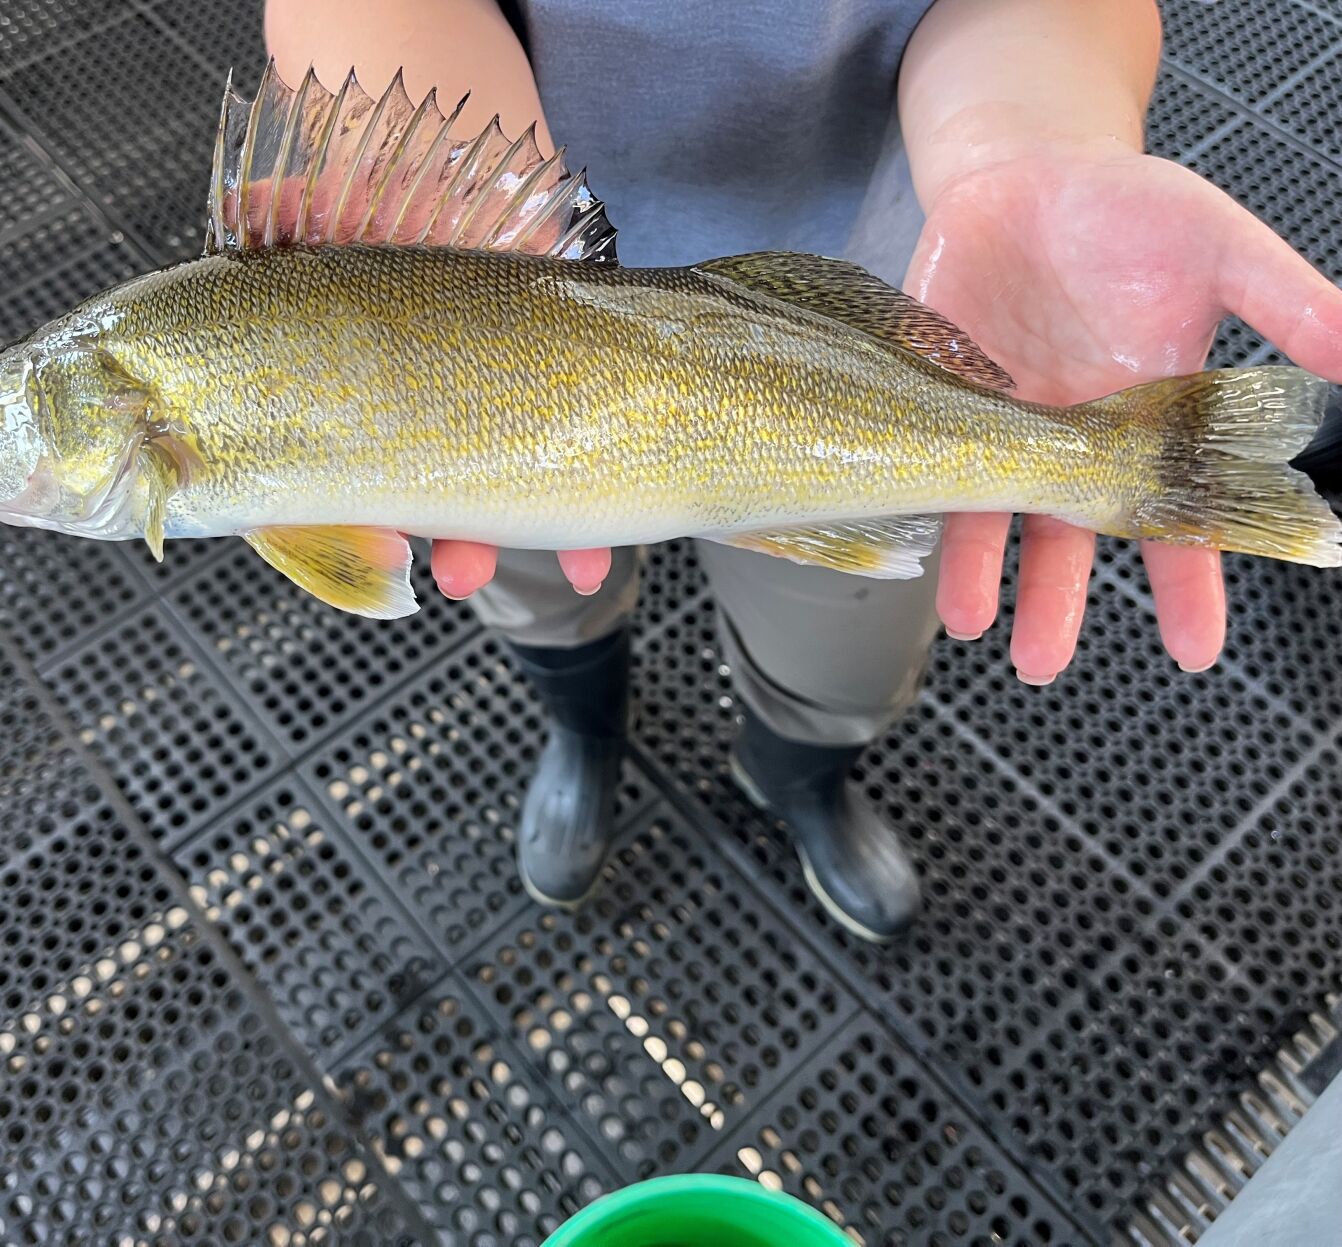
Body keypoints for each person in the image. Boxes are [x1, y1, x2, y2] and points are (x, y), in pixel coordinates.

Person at [267, 0, 1342, 940]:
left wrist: (1028, 145)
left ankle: (799, 775)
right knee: (533, 594)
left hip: (894, 289)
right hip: (475, 349)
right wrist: (438, 192)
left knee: (839, 662)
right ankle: (587, 733)